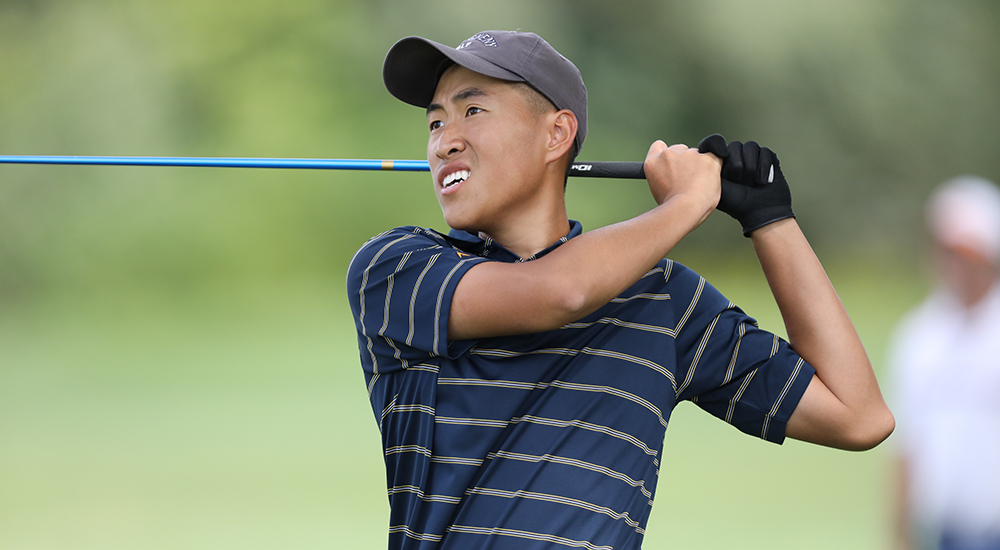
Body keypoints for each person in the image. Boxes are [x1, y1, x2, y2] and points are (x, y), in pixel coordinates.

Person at [347, 30, 894, 549]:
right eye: (435, 122)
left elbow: (858, 416)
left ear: (556, 134)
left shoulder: (663, 299)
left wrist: (771, 220)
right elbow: (561, 291)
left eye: (472, 111)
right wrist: (687, 203)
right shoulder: (396, 269)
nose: (444, 142)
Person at [890, 176, 1000, 550]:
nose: (955, 264)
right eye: (947, 251)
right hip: (943, 533)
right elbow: (907, 445)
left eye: (966, 253)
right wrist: (900, 535)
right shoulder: (920, 335)